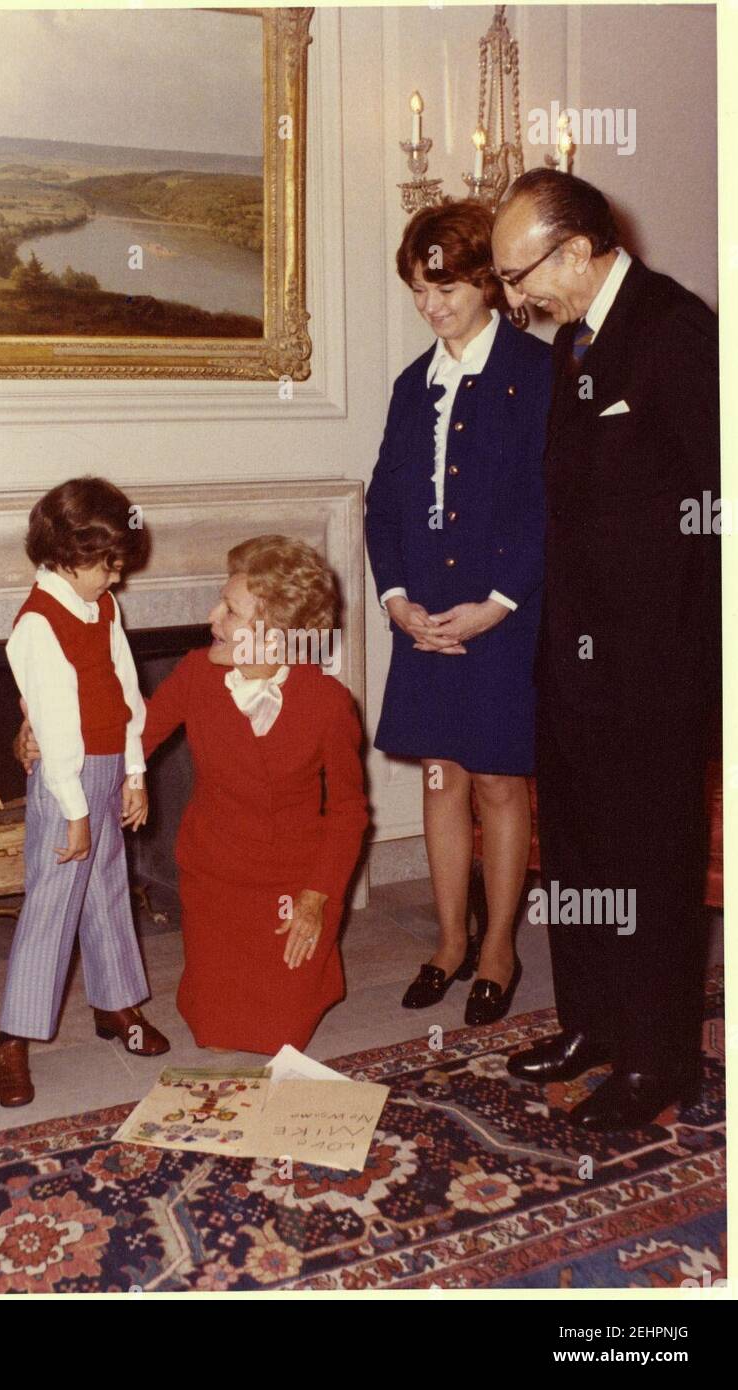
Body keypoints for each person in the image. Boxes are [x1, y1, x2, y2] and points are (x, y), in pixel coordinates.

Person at [492, 169, 720, 1130]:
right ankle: (592, 1024)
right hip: (573, 658)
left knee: (650, 863)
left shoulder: (677, 331)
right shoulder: (572, 343)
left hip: (654, 667)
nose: (513, 300)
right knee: (578, 854)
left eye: (519, 275)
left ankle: (661, 1059)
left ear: (578, 249)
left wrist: (684, 651)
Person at [17, 534, 369, 1055]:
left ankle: (312, 971)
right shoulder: (196, 674)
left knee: (281, 1036)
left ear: (274, 636)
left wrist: (317, 899)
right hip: (216, 879)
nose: (212, 617)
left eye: (230, 609)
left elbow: (348, 813)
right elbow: (129, 735)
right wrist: (41, 730)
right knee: (216, 1031)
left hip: (294, 888)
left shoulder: (328, 704)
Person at [366, 200, 551, 1026]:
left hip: (503, 616)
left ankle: (499, 949)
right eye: (417, 290)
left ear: (485, 279)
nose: (432, 305)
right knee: (442, 778)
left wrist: (498, 604)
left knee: (500, 783)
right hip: (426, 616)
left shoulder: (539, 373)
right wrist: (396, 597)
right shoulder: (414, 384)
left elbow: (550, 504)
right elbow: (385, 506)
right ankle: (448, 942)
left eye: (444, 287)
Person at [0, 477, 169, 1108]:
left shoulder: (104, 609)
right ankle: (11, 1040)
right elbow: (57, 725)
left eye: (119, 565)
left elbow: (125, 695)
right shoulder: (38, 624)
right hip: (64, 778)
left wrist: (136, 773)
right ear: (66, 553)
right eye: (106, 564)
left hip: (107, 765)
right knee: (53, 901)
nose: (114, 578)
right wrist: (73, 811)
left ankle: (116, 1007)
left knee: (107, 888)